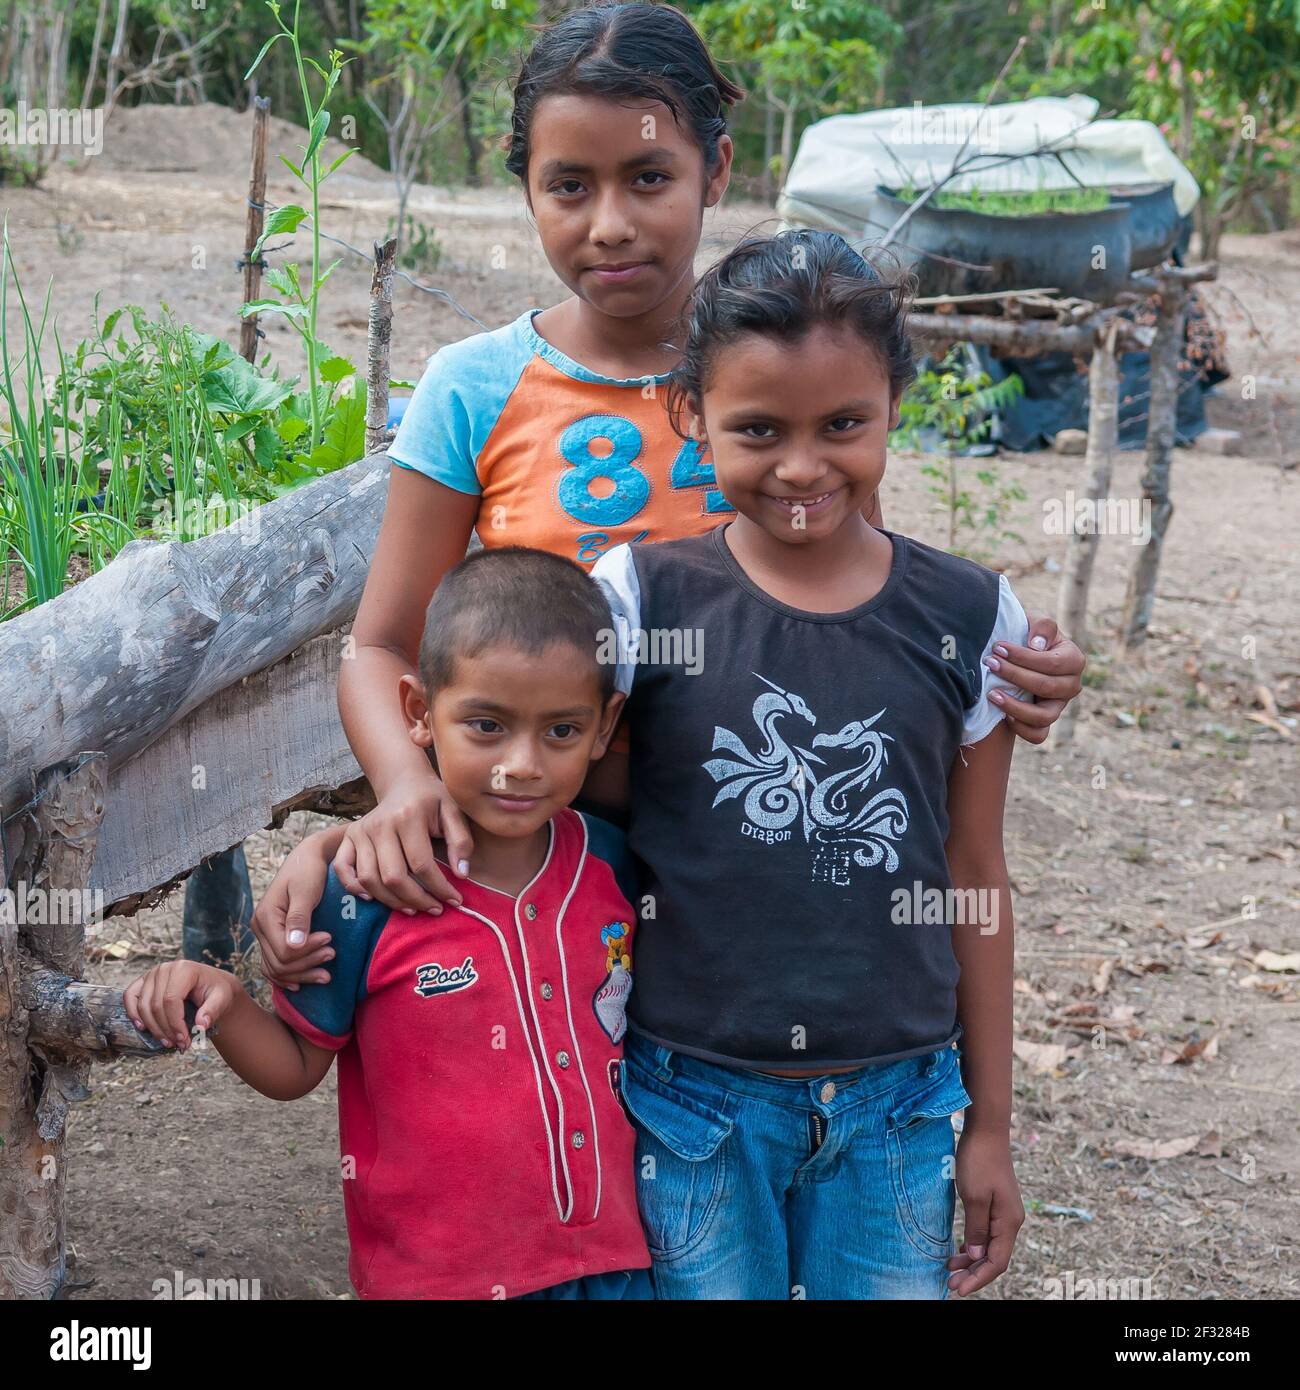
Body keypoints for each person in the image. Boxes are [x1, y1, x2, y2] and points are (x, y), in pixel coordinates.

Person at [251, 0, 1085, 1000]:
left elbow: (849, 577)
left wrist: (994, 670)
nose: (610, 223)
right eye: (569, 184)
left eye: (649, 177)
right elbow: (381, 646)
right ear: (525, 186)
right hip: (548, 838)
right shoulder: (475, 387)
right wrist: (404, 788)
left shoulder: (787, 368)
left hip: (751, 851)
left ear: (715, 173)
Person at [582, 228, 1026, 1298]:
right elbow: (546, 803)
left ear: (892, 406)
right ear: (692, 415)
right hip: (691, 1100)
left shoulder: (971, 615)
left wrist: (991, 1124)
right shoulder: (640, 601)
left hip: (901, 1109)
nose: (799, 466)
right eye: (757, 429)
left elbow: (974, 873)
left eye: (842, 425)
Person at [124, 549, 653, 1301]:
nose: (523, 764)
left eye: (561, 731)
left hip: (616, 1267)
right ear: (418, 713)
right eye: (487, 725)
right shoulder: (363, 891)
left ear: (605, 729)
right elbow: (296, 1066)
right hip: (436, 1279)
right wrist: (223, 997)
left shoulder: (614, 868)